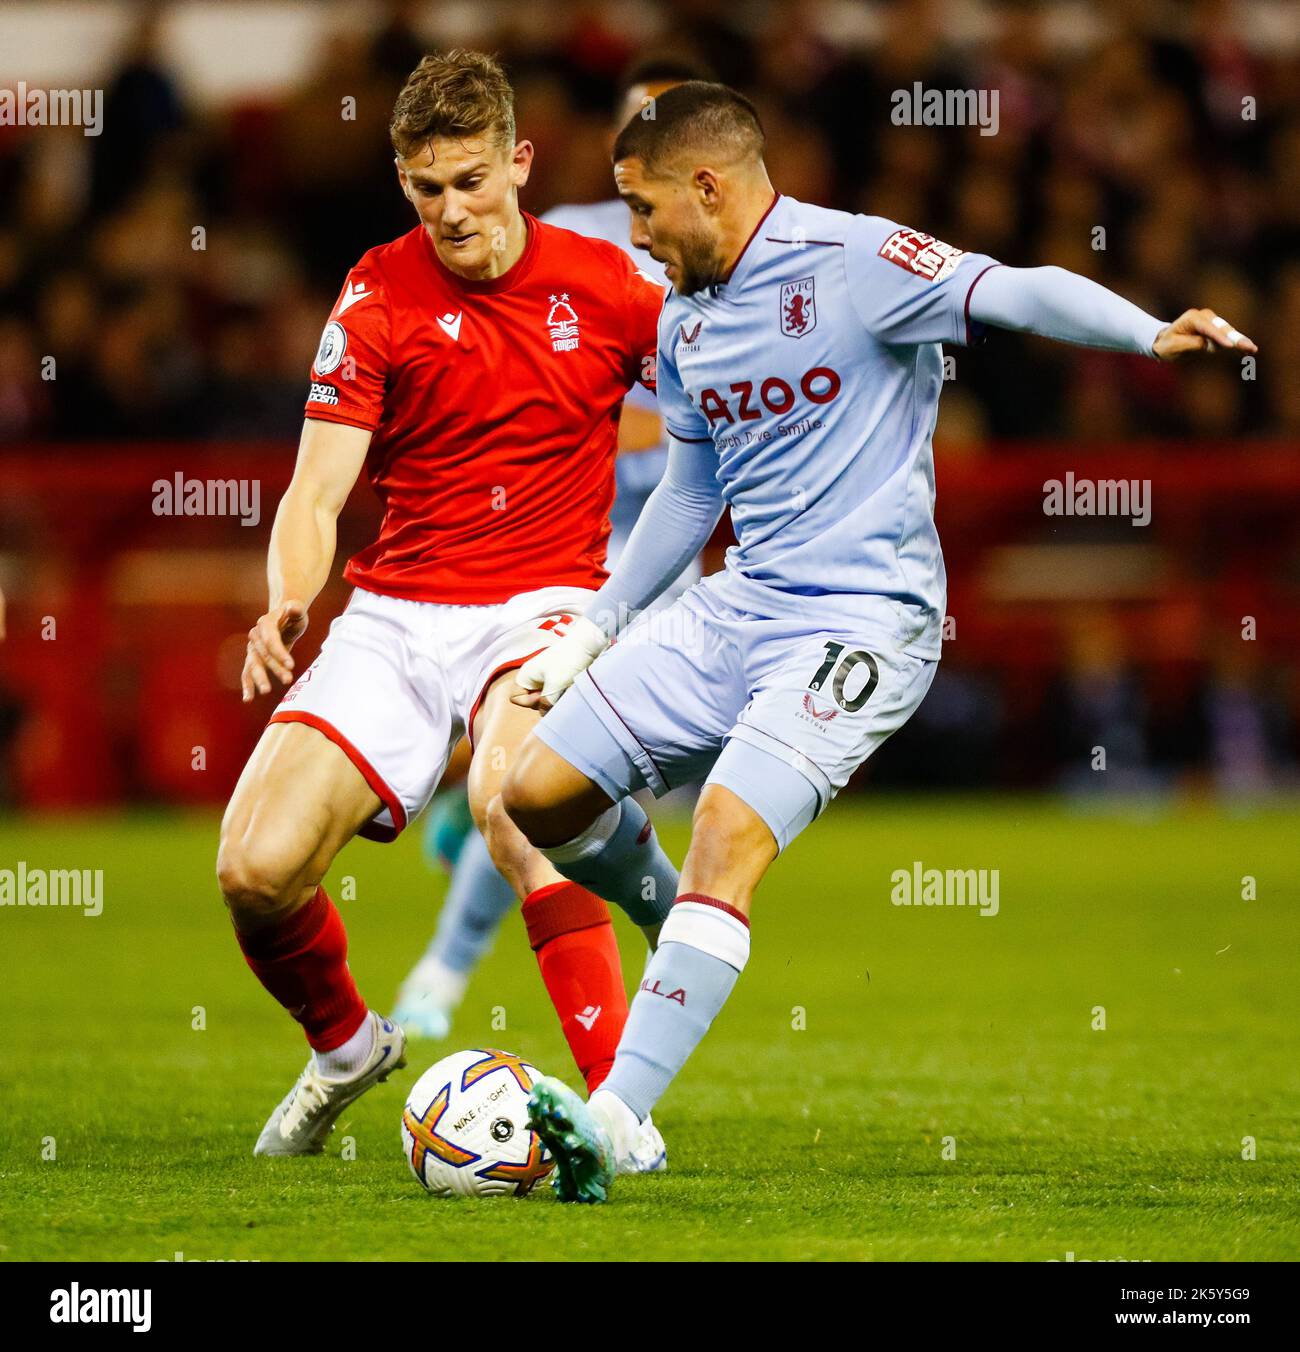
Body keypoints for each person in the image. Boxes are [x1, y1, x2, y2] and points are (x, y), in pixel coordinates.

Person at [497, 81, 1258, 1203]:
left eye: (645, 209)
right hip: (740, 603)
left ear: (707, 186)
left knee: (724, 828)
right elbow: (689, 493)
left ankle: (618, 1116)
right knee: (537, 792)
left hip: (861, 621)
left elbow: (1014, 289)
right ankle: (679, 923)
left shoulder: (854, 261)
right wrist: (599, 625)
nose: (638, 236)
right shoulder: (684, 315)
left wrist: (1148, 331)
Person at [216, 50, 681, 1170]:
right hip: (394, 612)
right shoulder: (377, 293)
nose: (452, 210)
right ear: (402, 181)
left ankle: (623, 1109)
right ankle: (344, 1047)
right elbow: (317, 488)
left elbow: (723, 410)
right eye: (427, 188)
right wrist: (289, 598)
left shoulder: (611, 288)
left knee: (515, 805)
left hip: (543, 600)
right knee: (255, 869)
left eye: (471, 180)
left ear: (519, 163)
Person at [392, 53, 711, 1043]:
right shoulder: (565, 237)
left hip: (669, 549)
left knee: (618, 779)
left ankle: (484, 838)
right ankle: (445, 972)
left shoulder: (726, 252)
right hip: (564, 544)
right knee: (542, 778)